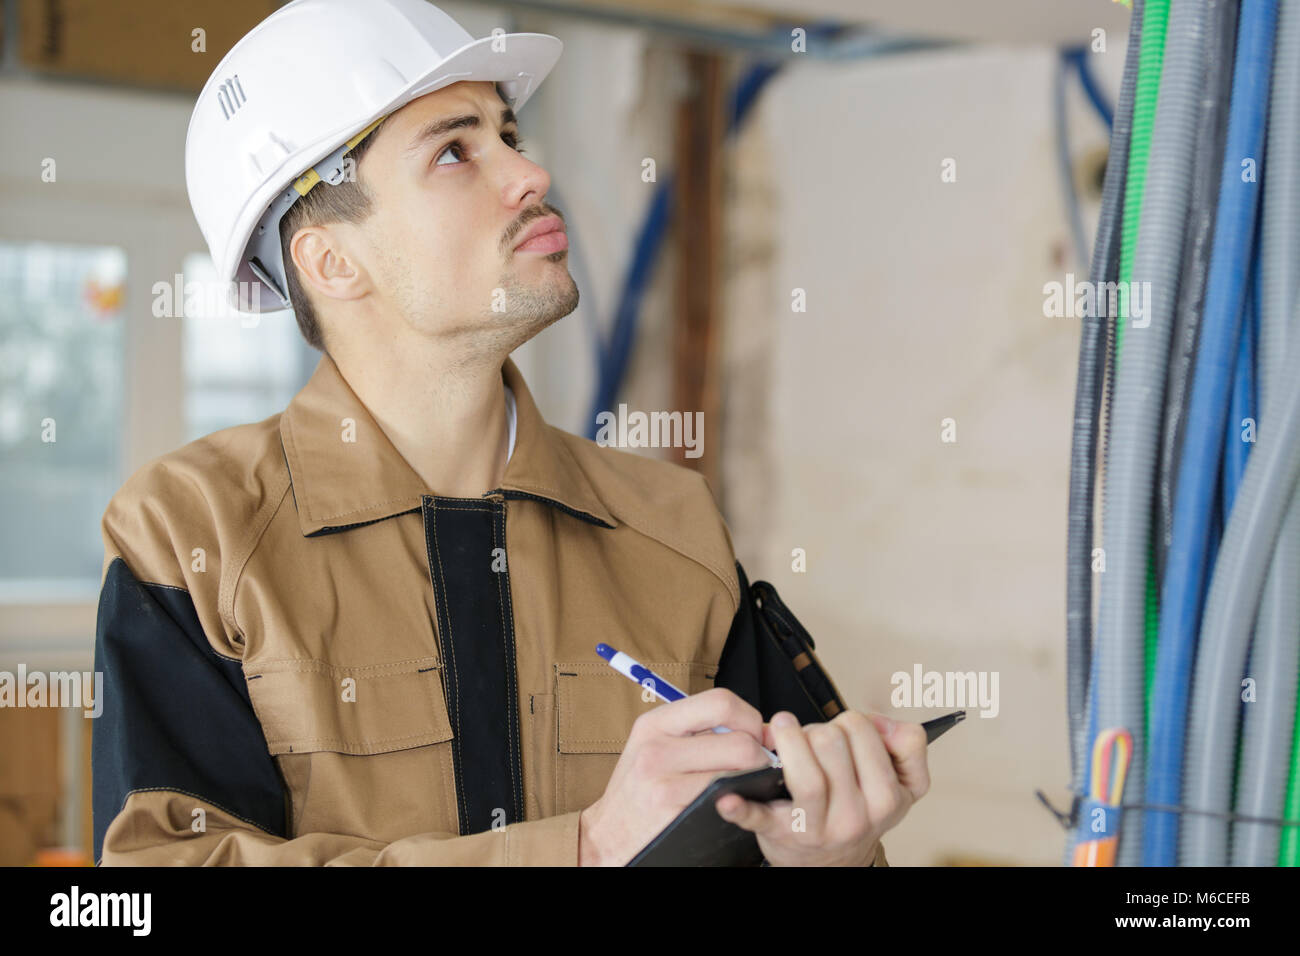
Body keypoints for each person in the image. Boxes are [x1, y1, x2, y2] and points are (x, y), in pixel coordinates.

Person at [93, 0, 929, 867]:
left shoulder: (672, 525)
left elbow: (763, 835)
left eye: (511, 134)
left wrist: (823, 855)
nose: (532, 173)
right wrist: (585, 848)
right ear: (333, 259)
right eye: (455, 151)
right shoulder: (195, 534)